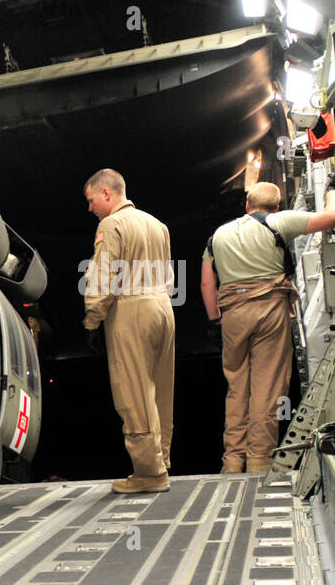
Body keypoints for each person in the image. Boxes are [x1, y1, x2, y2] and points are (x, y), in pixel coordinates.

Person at [202, 182, 335, 473]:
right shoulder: (279, 221)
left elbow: (207, 282)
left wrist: (215, 320)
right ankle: (259, 462)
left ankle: (233, 461)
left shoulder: (218, 235)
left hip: (232, 315)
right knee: (267, 387)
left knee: (237, 388)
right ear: (277, 207)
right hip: (270, 310)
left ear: (247, 205)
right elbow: (331, 217)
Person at [82, 168, 176, 494]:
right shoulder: (157, 224)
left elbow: (103, 276)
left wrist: (93, 320)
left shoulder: (111, 224)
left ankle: (149, 473)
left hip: (132, 309)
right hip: (163, 306)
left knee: (134, 392)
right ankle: (161, 460)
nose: (90, 207)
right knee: (160, 389)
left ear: (106, 193)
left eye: (91, 199)